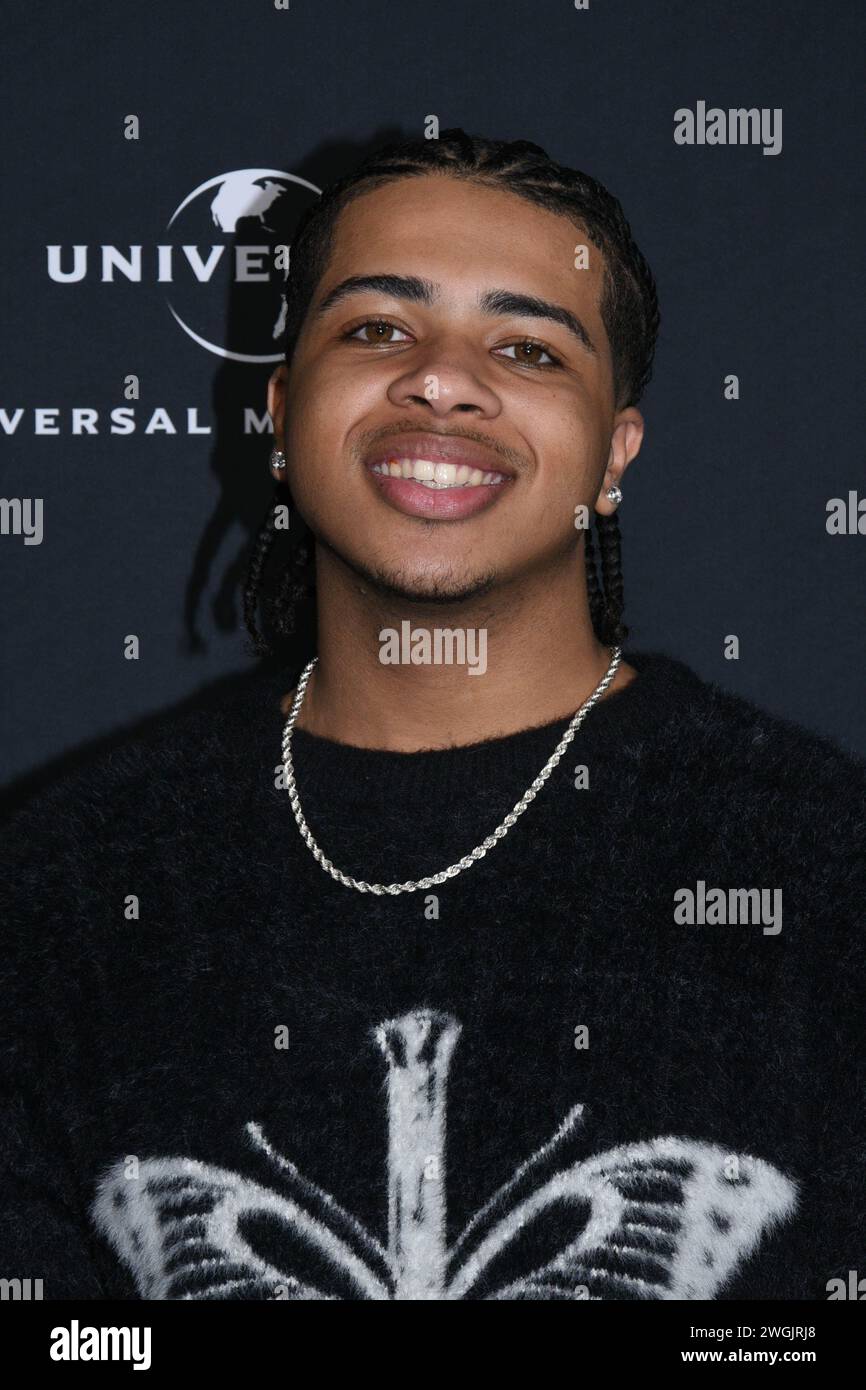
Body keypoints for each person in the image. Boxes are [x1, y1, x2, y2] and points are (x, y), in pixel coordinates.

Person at [1, 129, 863, 1301]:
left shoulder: (821, 864)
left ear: (614, 456)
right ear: (282, 407)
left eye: (527, 347)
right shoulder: (63, 884)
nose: (443, 379)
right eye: (374, 329)